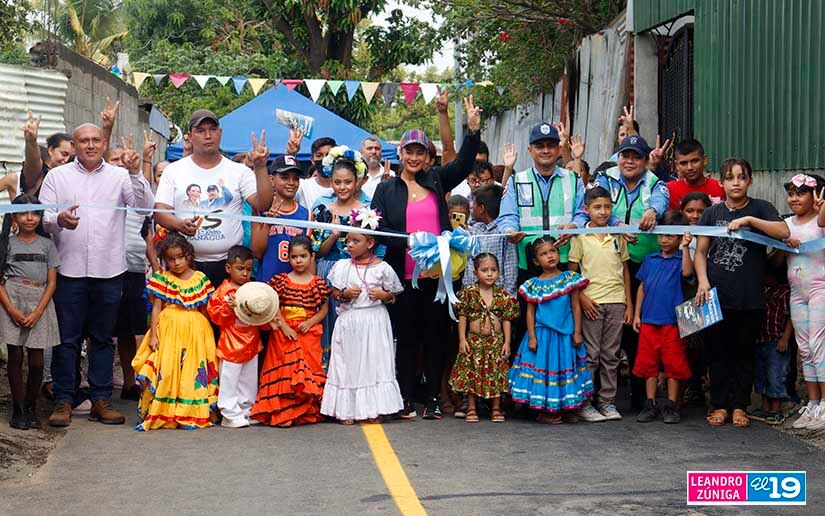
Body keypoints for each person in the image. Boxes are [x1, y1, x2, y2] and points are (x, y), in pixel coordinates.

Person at [371, 96, 482, 419]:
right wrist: (408, 241)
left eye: (421, 152)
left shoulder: (435, 179)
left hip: (439, 277)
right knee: (406, 340)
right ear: (401, 153)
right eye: (410, 151)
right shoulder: (386, 188)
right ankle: (405, 399)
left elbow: (461, 165)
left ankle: (434, 398)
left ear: (427, 155)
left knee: (436, 339)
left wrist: (472, 132)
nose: (415, 157)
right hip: (403, 276)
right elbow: (378, 228)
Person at [40, 123, 154, 428]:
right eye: (83, 141)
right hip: (69, 270)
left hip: (109, 270)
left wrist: (135, 173)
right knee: (67, 340)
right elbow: (44, 217)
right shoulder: (57, 176)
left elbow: (143, 208)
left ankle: (101, 399)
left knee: (104, 338)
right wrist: (59, 219)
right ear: (74, 145)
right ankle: (65, 399)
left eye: (95, 140)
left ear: (104, 144)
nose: (90, 145)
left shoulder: (119, 176)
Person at [695, 158, 790, 428]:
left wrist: (748, 219)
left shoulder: (762, 208)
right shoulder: (711, 214)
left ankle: (740, 406)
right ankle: (720, 405)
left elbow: (783, 231)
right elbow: (701, 252)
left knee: (744, 354)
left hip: (750, 298)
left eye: (741, 177)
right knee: (717, 354)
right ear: (721, 182)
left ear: (750, 180)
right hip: (715, 296)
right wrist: (703, 281)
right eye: (730, 178)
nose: (736, 182)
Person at [579, 135, 670, 411]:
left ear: (645, 161)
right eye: (625, 155)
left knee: (638, 333)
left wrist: (653, 211)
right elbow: (592, 203)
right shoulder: (605, 177)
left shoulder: (656, 183)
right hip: (608, 266)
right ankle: (595, 399)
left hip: (646, 266)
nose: (629, 161)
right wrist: (619, 223)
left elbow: (660, 201)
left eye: (636, 157)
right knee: (601, 343)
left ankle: (642, 399)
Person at [154, 109, 273, 288]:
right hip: (187, 264)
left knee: (225, 314)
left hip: (229, 265)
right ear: (190, 136)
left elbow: (264, 203)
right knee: (188, 316)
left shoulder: (239, 171)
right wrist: (179, 225)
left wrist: (261, 166)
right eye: (200, 131)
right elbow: (160, 212)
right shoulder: (174, 170)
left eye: (212, 129)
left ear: (220, 133)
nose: (208, 135)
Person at [322, 215, 404, 424]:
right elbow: (334, 293)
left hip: (374, 321)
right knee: (347, 364)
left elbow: (394, 295)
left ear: (370, 243)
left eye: (355, 241)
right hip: (349, 322)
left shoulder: (383, 268)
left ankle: (374, 409)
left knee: (374, 363)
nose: (349, 244)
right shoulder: (342, 266)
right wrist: (344, 294)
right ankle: (346, 409)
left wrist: (385, 296)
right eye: (347, 240)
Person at [132, 232, 218, 430]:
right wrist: (153, 335)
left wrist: (209, 337)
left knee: (192, 371)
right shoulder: (162, 278)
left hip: (196, 332)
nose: (177, 263)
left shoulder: (200, 279)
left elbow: (205, 310)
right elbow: (156, 308)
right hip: (169, 330)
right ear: (165, 260)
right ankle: (167, 412)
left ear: (188, 255)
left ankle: (191, 411)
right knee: (168, 368)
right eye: (171, 259)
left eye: (180, 257)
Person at [508, 236, 592, 424]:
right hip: (543, 336)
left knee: (565, 370)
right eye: (544, 254)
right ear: (536, 261)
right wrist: (532, 337)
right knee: (544, 372)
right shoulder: (533, 284)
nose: (550, 256)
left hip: (565, 335)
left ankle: (567, 408)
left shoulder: (569, 279)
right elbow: (530, 313)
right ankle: (545, 412)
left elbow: (576, 307)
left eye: (552, 251)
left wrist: (577, 332)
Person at [568, 186, 633, 422]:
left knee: (611, 355)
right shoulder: (581, 237)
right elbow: (572, 273)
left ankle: (607, 402)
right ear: (586, 210)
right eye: (597, 207)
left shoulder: (617, 236)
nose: (603, 212)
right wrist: (582, 298)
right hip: (591, 303)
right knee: (590, 355)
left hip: (616, 302)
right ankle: (585, 402)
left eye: (607, 207)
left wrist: (629, 304)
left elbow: (625, 270)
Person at [252, 236, 330, 427]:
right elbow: (274, 304)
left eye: (303, 256)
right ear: (288, 258)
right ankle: (282, 411)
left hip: (307, 332)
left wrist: (310, 322)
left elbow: (324, 309)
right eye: (294, 257)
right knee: (283, 369)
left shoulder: (318, 283)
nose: (298, 261)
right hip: (283, 332)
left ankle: (306, 410)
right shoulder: (281, 281)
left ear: (312, 257)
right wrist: (284, 325)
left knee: (308, 369)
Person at [0, 195, 60, 430]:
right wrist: (12, 310)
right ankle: (18, 409)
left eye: (35, 213)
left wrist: (37, 312)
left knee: (36, 363)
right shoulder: (5, 244)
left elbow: (52, 282)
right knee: (15, 358)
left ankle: (31, 405)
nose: (29, 218)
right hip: (12, 300)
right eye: (23, 213)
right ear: (14, 216)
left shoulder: (47, 245)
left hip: (40, 302)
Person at [312, 148, 371, 370]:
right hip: (326, 273)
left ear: (357, 182)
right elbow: (317, 250)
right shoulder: (321, 207)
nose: (342, 187)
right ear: (331, 182)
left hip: (355, 273)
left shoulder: (366, 211)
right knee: (328, 325)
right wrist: (335, 233)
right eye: (337, 182)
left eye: (348, 182)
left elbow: (370, 246)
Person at [108, 144, 159, 401]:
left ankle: (131, 382)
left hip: (134, 266)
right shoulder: (103, 189)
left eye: (122, 159)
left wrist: (144, 164)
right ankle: (102, 384)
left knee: (131, 328)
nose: (119, 163)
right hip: (104, 267)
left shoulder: (136, 189)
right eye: (114, 159)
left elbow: (147, 211)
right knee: (103, 329)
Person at [498, 122, 583, 276]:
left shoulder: (573, 179)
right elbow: (507, 216)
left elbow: (583, 213)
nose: (545, 150)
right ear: (530, 150)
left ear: (558, 149)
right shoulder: (516, 180)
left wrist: (575, 226)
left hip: (565, 260)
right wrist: (510, 231)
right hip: (528, 261)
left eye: (551, 145)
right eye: (540, 146)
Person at [633, 212, 694, 424]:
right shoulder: (650, 259)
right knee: (648, 364)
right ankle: (650, 403)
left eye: (669, 236)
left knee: (673, 364)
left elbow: (687, 273)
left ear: (679, 238)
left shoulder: (681, 259)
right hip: (649, 320)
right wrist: (637, 314)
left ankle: (671, 405)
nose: (664, 240)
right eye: (661, 235)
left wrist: (686, 247)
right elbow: (642, 287)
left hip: (672, 321)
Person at [451, 253, 519, 423]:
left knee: (496, 374)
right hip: (474, 341)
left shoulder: (503, 296)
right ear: (475, 273)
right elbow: (463, 317)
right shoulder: (469, 293)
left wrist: (507, 343)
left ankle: (496, 408)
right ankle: (472, 408)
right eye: (484, 270)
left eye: (493, 270)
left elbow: (506, 320)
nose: (489, 274)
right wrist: (462, 340)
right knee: (472, 374)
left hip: (496, 342)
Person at [207, 246, 267, 428]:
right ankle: (229, 413)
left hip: (251, 341)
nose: (245, 273)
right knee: (230, 380)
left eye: (248, 269)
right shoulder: (223, 292)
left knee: (248, 380)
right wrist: (228, 309)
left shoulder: (253, 290)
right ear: (228, 268)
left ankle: (246, 410)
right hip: (231, 344)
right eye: (240, 269)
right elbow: (215, 316)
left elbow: (261, 316)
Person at [783, 173, 825, 430]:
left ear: (816, 196)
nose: (794, 199)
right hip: (796, 291)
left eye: (801, 193)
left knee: (817, 343)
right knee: (805, 348)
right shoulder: (788, 224)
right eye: (791, 194)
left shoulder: (821, 222)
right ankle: (813, 403)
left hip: (820, 287)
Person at [250, 155, 310, 283]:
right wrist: (268, 223)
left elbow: (310, 259)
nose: (291, 183)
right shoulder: (260, 210)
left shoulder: (307, 215)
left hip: (295, 288)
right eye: (284, 177)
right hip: (267, 284)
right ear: (271, 180)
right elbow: (257, 252)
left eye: (295, 178)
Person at [752, 266, 793, 426]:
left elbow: (790, 316)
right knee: (761, 374)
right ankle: (765, 407)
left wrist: (785, 338)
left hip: (777, 341)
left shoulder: (784, 293)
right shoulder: (762, 291)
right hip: (761, 338)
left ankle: (776, 410)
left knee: (775, 375)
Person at [463, 185, 518, 295]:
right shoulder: (476, 230)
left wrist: (507, 297)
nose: (471, 210)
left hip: (499, 296)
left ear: (481, 209)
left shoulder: (504, 232)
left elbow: (510, 268)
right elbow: (469, 263)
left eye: (473, 206)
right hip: (475, 296)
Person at [667, 139, 725, 209]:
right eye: (684, 163)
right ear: (677, 165)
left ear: (704, 160)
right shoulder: (669, 190)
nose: (690, 167)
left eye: (694, 161)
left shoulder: (721, 188)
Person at [295, 136, 337, 210]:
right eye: (319, 156)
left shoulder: (344, 188)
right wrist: (290, 153)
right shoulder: (303, 186)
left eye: (328, 155)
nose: (324, 159)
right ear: (312, 160)